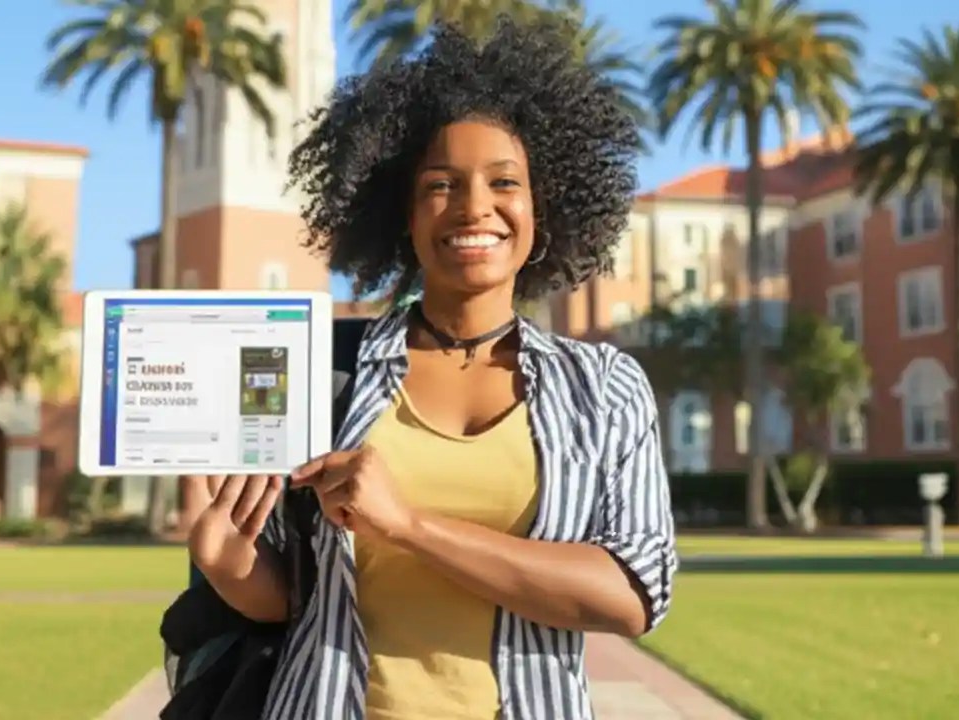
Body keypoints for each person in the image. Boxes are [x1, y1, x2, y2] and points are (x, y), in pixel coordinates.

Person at [187, 17, 678, 720]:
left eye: (504, 181)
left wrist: (409, 526)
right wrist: (227, 563)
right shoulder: (323, 368)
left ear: (541, 206)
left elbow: (633, 593)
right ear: (405, 214)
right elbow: (297, 600)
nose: (474, 206)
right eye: (440, 185)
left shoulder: (603, 388)